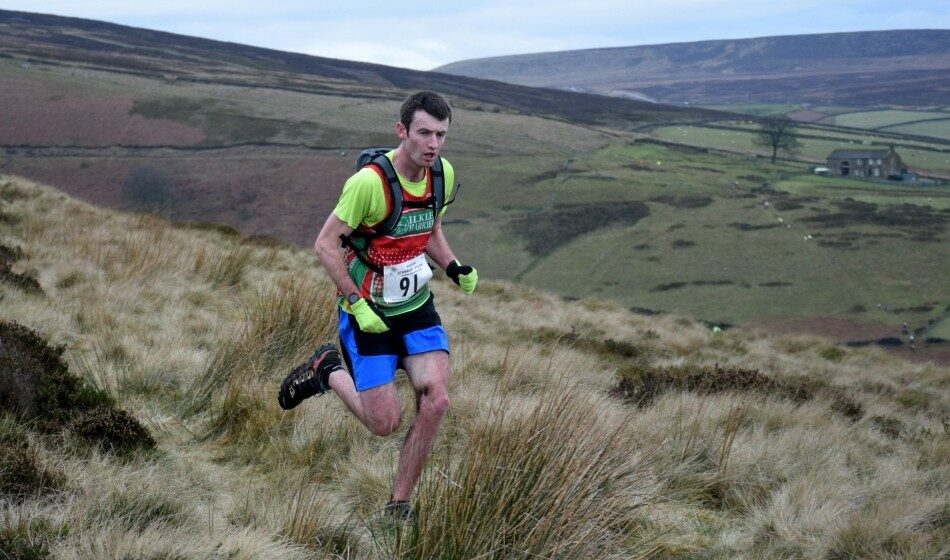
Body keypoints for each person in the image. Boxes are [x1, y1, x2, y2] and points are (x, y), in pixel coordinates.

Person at [277, 91, 477, 520]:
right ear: (402, 130)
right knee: (383, 423)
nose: (433, 144)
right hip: (368, 311)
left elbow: (430, 229)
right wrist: (356, 301)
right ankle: (327, 370)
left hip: (415, 306)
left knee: (437, 401)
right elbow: (325, 245)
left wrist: (453, 266)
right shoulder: (368, 184)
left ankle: (399, 505)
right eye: (424, 133)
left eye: (441, 135)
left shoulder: (441, 174)